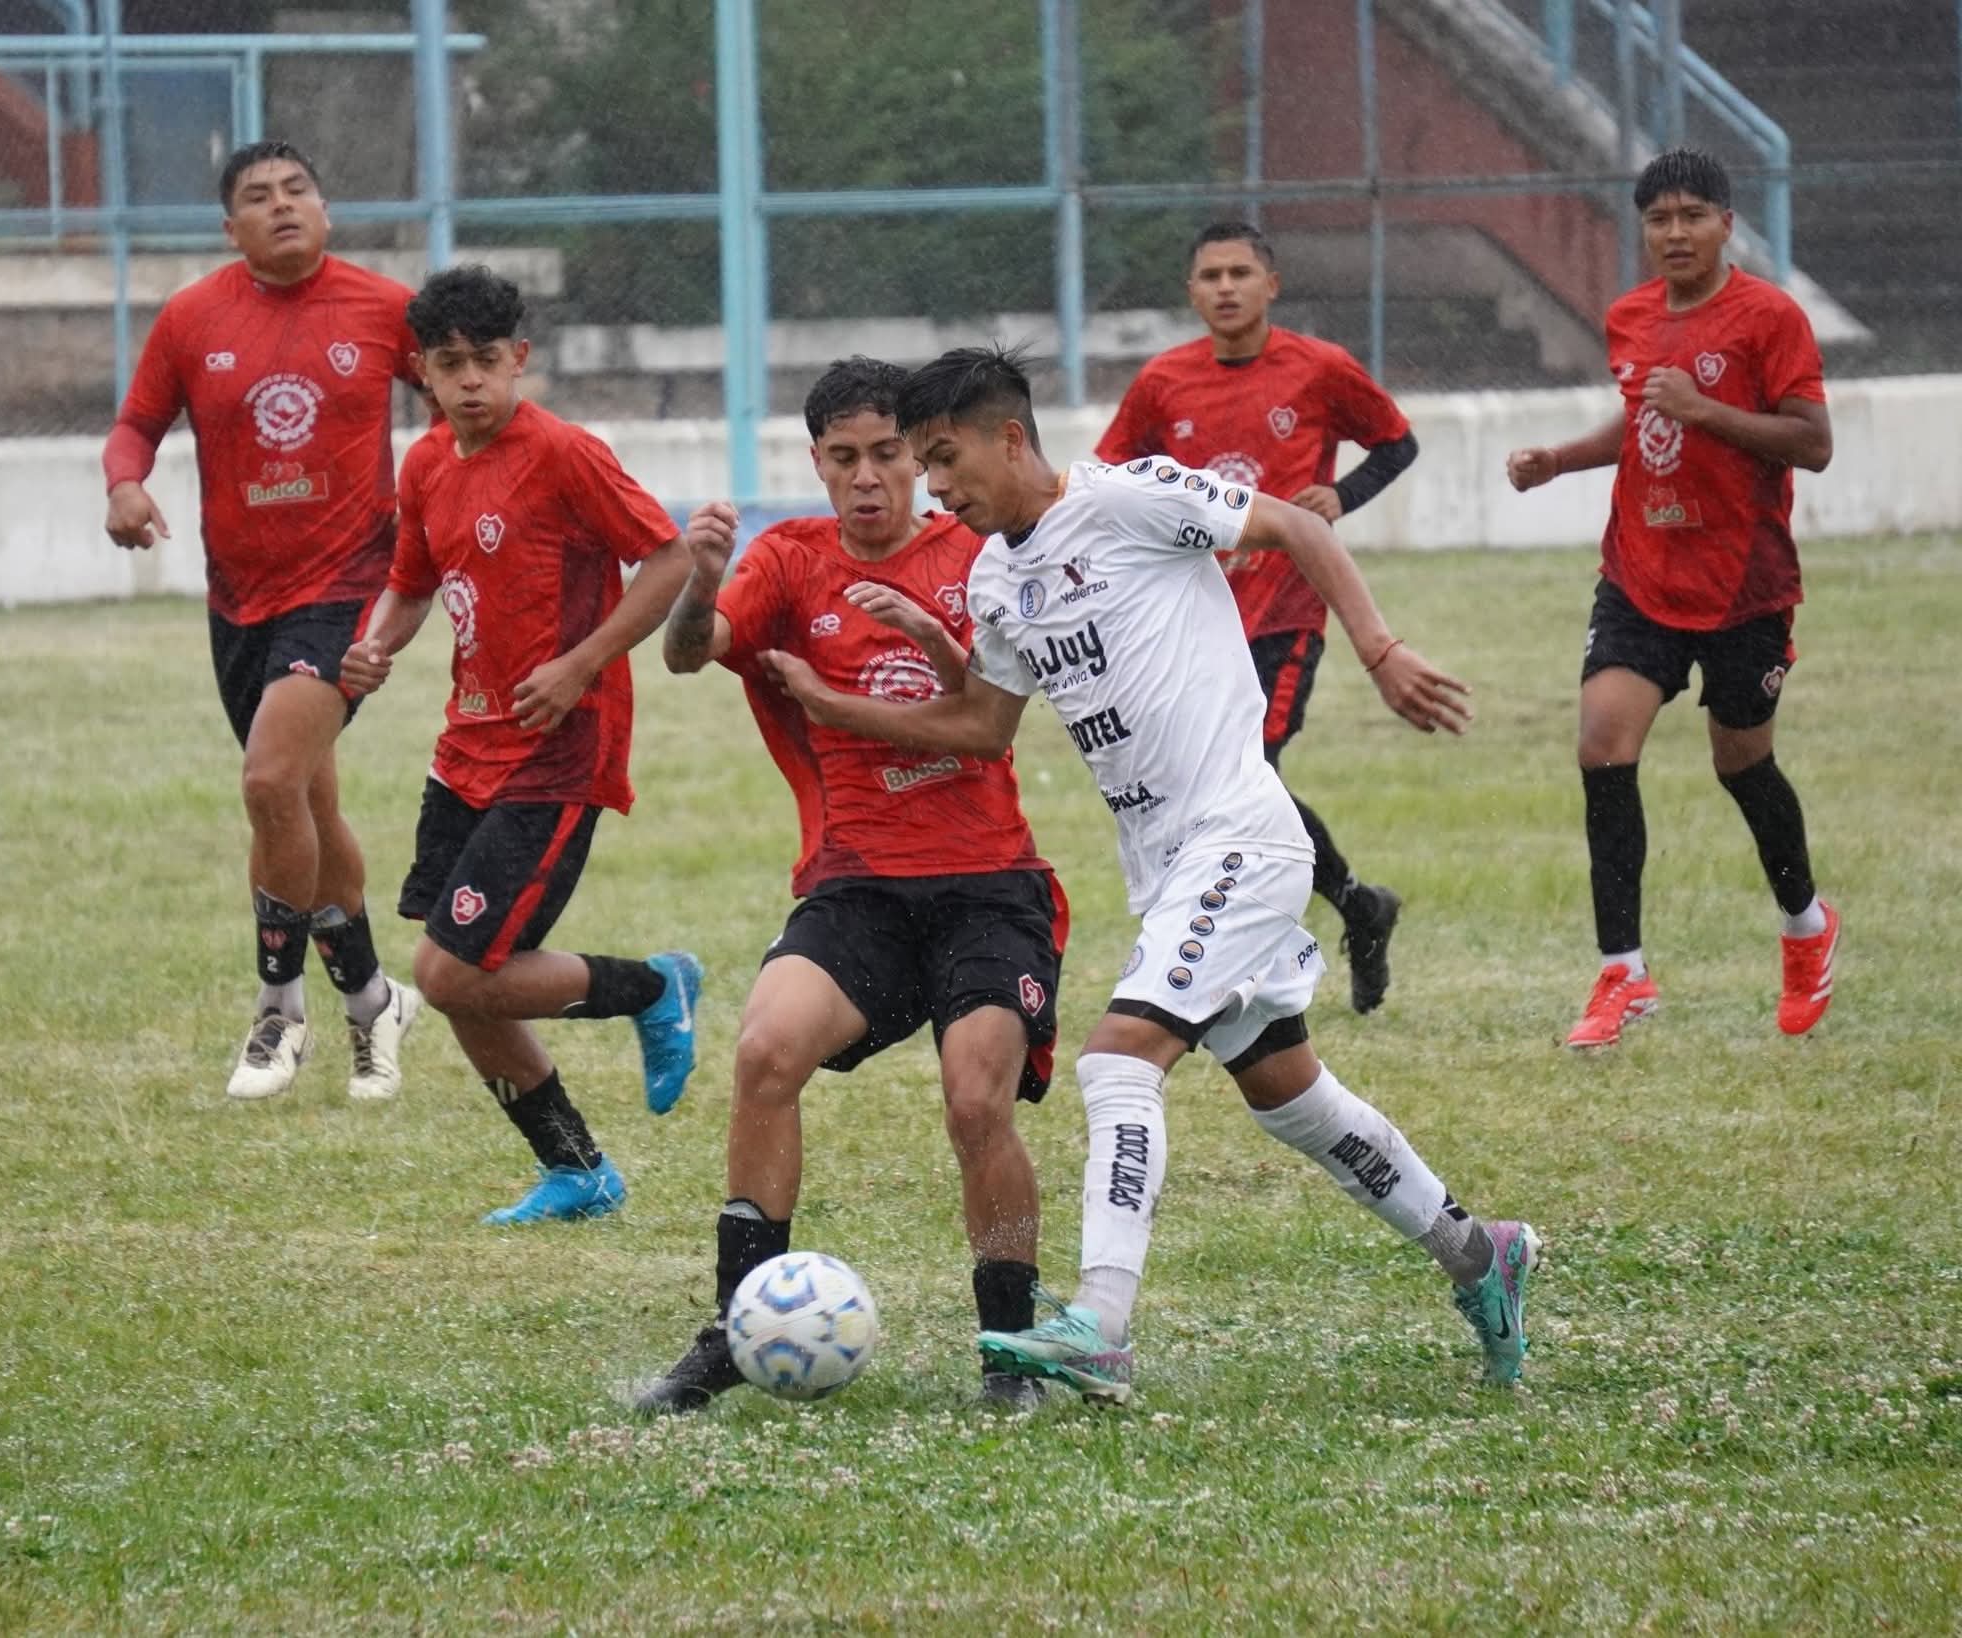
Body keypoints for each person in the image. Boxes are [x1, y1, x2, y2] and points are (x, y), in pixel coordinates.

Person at [760, 347, 1538, 1405]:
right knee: (1287, 1095)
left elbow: (1298, 525)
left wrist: (1379, 648)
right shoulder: (993, 577)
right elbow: (983, 729)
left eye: (943, 460)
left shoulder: (1128, 498)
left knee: (1116, 1059)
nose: (934, 487)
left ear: (1009, 439)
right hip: (1164, 867)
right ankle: (1475, 1253)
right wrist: (839, 707)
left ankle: (1101, 1327)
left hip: (1242, 838)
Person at [637, 357, 1066, 1412]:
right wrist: (697, 584)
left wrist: (901, 657)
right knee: (763, 1048)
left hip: (986, 885)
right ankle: (738, 1326)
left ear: (918, 459)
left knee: (976, 1100)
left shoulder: (973, 555)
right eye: (844, 459)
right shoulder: (787, 559)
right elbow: (696, 654)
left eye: (888, 455)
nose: (869, 478)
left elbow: (989, 718)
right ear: (816, 462)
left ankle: (1008, 1348)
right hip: (857, 887)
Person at [339, 265, 703, 1223]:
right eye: (449, 364)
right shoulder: (424, 466)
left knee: (449, 971)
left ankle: (657, 987)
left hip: (556, 751)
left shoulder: (564, 454)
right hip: (465, 749)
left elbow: (667, 558)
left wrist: (582, 663)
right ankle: (577, 1169)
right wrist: (375, 641)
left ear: (520, 359)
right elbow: (415, 583)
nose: (470, 382)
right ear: (422, 372)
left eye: (487, 362)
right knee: (472, 981)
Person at [100, 139, 421, 1102]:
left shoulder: (382, 308)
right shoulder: (193, 318)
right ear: (230, 226)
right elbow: (135, 427)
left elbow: (461, 403)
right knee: (306, 806)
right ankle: (373, 1002)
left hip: (349, 589)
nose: (282, 206)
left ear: (325, 209)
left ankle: (281, 1011)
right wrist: (123, 486)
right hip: (240, 600)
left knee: (270, 778)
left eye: (298, 191)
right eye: (258, 197)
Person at [1505, 148, 1836, 1049]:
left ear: (1729, 223)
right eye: (1659, 219)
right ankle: (1625, 973)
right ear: (1642, 231)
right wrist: (1562, 459)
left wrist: (1707, 412)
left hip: (1744, 585)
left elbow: (1811, 443)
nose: (1676, 233)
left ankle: (1807, 929)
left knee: (1742, 766)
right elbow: (1645, 413)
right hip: (1639, 574)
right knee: (1603, 747)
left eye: (1694, 215)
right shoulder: (1631, 315)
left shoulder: (1770, 317)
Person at [1097, 220, 1418, 1013]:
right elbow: (1114, 478)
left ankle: (1257, 955)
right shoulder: (1163, 382)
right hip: (1195, 628)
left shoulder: (1319, 369)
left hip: (1285, 617)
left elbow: (1396, 444)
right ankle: (1355, 905)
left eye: (1242, 272)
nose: (1226, 288)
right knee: (1217, 790)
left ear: (1271, 284)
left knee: (1251, 778)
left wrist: (1341, 496)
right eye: (1210, 275)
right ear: (1191, 292)